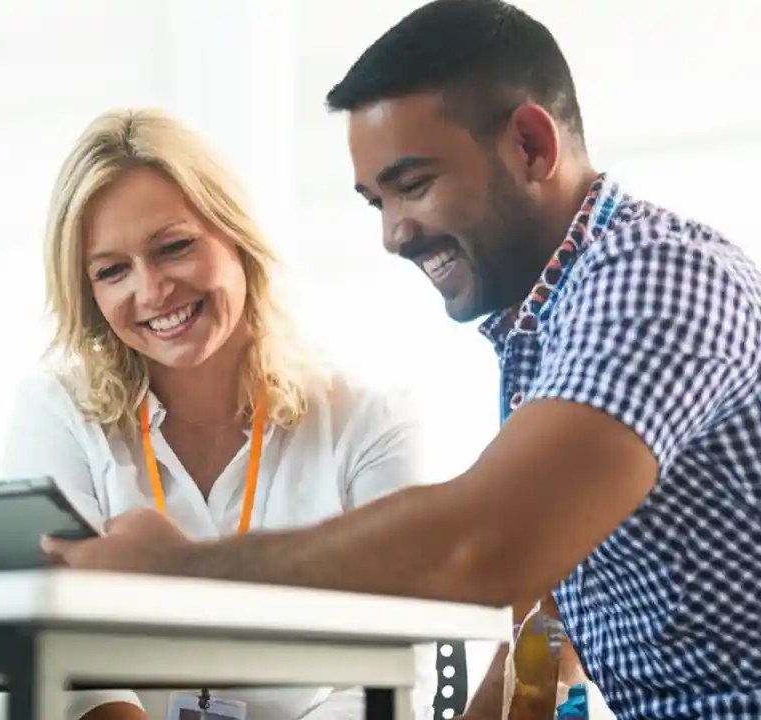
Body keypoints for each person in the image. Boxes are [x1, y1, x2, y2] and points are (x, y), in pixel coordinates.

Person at [42, 2, 761, 719]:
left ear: (533, 147)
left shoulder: (654, 279)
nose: (394, 234)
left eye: (413, 185)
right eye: (375, 201)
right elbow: (542, 619)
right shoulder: (547, 324)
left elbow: (482, 546)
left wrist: (183, 570)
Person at [1, 108, 428, 719]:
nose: (150, 292)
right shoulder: (58, 410)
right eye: (112, 270)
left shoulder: (370, 418)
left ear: (237, 238)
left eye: (173, 247)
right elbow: (46, 648)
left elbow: (393, 664)